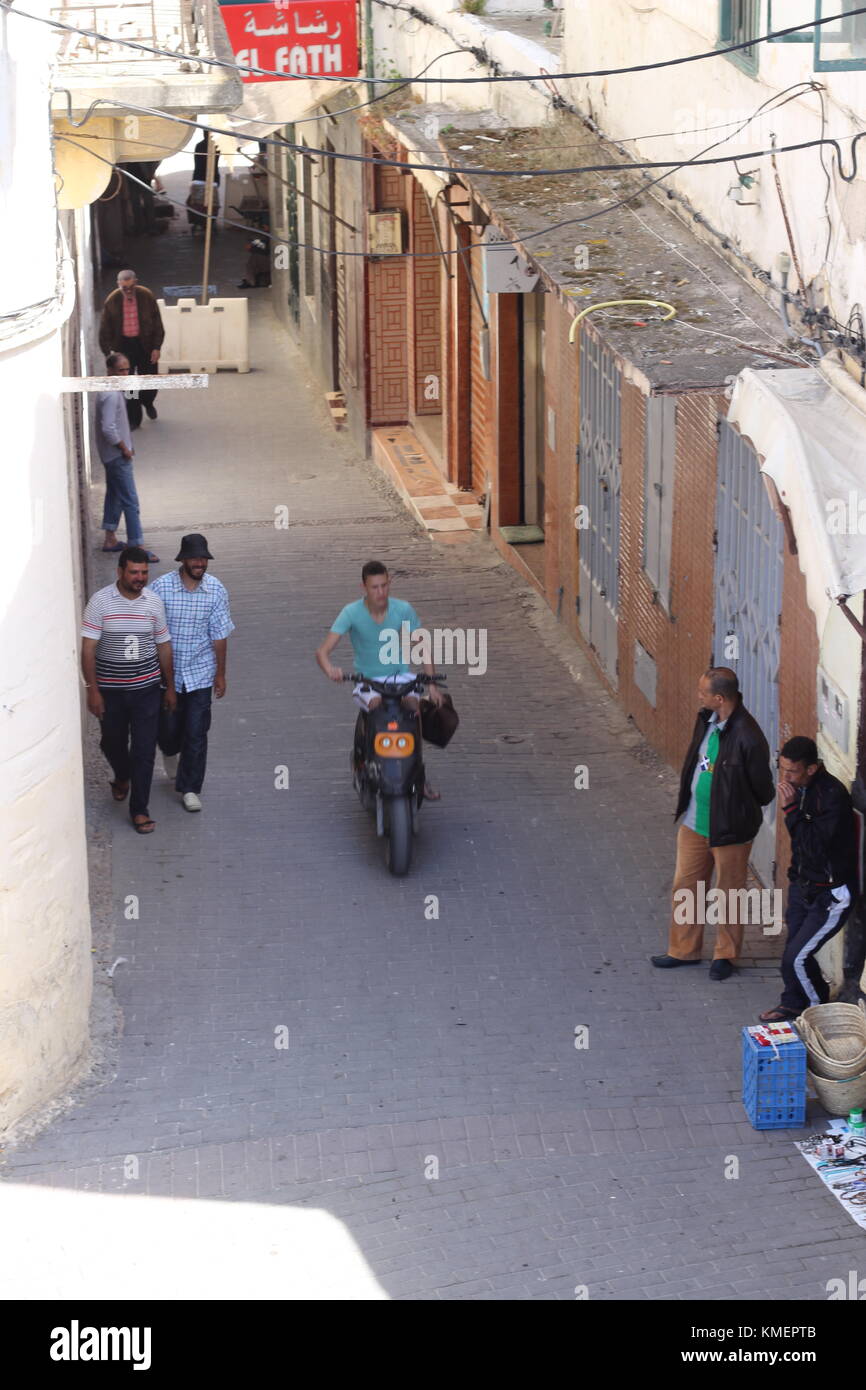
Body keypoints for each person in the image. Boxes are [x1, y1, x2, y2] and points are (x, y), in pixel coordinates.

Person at [651, 667, 775, 980]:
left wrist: (737, 810)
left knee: (729, 893)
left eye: (703, 692)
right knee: (686, 888)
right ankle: (683, 950)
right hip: (694, 822)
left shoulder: (749, 736)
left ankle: (726, 955)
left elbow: (764, 790)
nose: (698, 696)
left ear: (719, 698)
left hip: (730, 830)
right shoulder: (706, 720)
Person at [315, 561, 445, 798]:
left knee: (413, 711)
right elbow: (322, 652)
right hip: (368, 680)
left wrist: (432, 686)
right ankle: (369, 762)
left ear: (389, 583)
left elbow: (423, 645)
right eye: (375, 587)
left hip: (401, 677)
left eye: (385, 586)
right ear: (363, 586)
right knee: (377, 709)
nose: (381, 592)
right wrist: (330, 669)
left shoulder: (403, 609)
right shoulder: (351, 613)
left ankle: (418, 774)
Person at [759, 737, 858, 1022]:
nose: (786, 778)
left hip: (831, 895)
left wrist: (790, 811)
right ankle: (792, 1003)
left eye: (792, 772)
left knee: (795, 957)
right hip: (804, 887)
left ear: (812, 768)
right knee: (794, 952)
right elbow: (801, 851)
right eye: (783, 770)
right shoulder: (801, 789)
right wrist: (794, 879)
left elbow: (814, 847)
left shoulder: (831, 796)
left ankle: (817, 1018)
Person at [81, 547, 176, 834]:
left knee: (144, 751)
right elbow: (88, 649)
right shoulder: (100, 602)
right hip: (110, 691)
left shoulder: (154, 603)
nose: (140, 578)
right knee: (111, 743)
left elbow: (163, 645)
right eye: (134, 572)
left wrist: (169, 687)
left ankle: (140, 810)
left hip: (147, 690)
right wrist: (92, 690)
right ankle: (122, 776)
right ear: (120, 571)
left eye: (144, 573)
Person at [150, 534, 235, 813]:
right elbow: (149, 629)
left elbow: (220, 636)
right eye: (195, 558)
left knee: (197, 732)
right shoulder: (161, 589)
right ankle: (170, 751)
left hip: (200, 672)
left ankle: (190, 788)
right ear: (183, 560)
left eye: (203, 559)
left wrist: (220, 675)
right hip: (167, 676)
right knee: (169, 731)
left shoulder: (216, 590)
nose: (200, 563)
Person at [94, 353, 159, 560]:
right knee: (131, 501)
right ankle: (137, 547)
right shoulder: (111, 394)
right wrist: (124, 448)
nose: (126, 373)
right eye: (121, 370)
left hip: (111, 455)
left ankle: (110, 538)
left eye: (127, 369)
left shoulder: (110, 389)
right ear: (110, 371)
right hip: (117, 456)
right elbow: (108, 428)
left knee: (115, 495)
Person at [98, 270, 165, 430]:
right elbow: (105, 328)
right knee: (129, 384)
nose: (128, 290)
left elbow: (157, 324)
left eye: (130, 286)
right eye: (124, 287)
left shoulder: (146, 296)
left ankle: (148, 402)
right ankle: (134, 418)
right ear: (119, 285)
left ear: (136, 282)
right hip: (124, 347)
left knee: (149, 381)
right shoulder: (112, 300)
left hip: (145, 345)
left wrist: (156, 347)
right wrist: (108, 353)